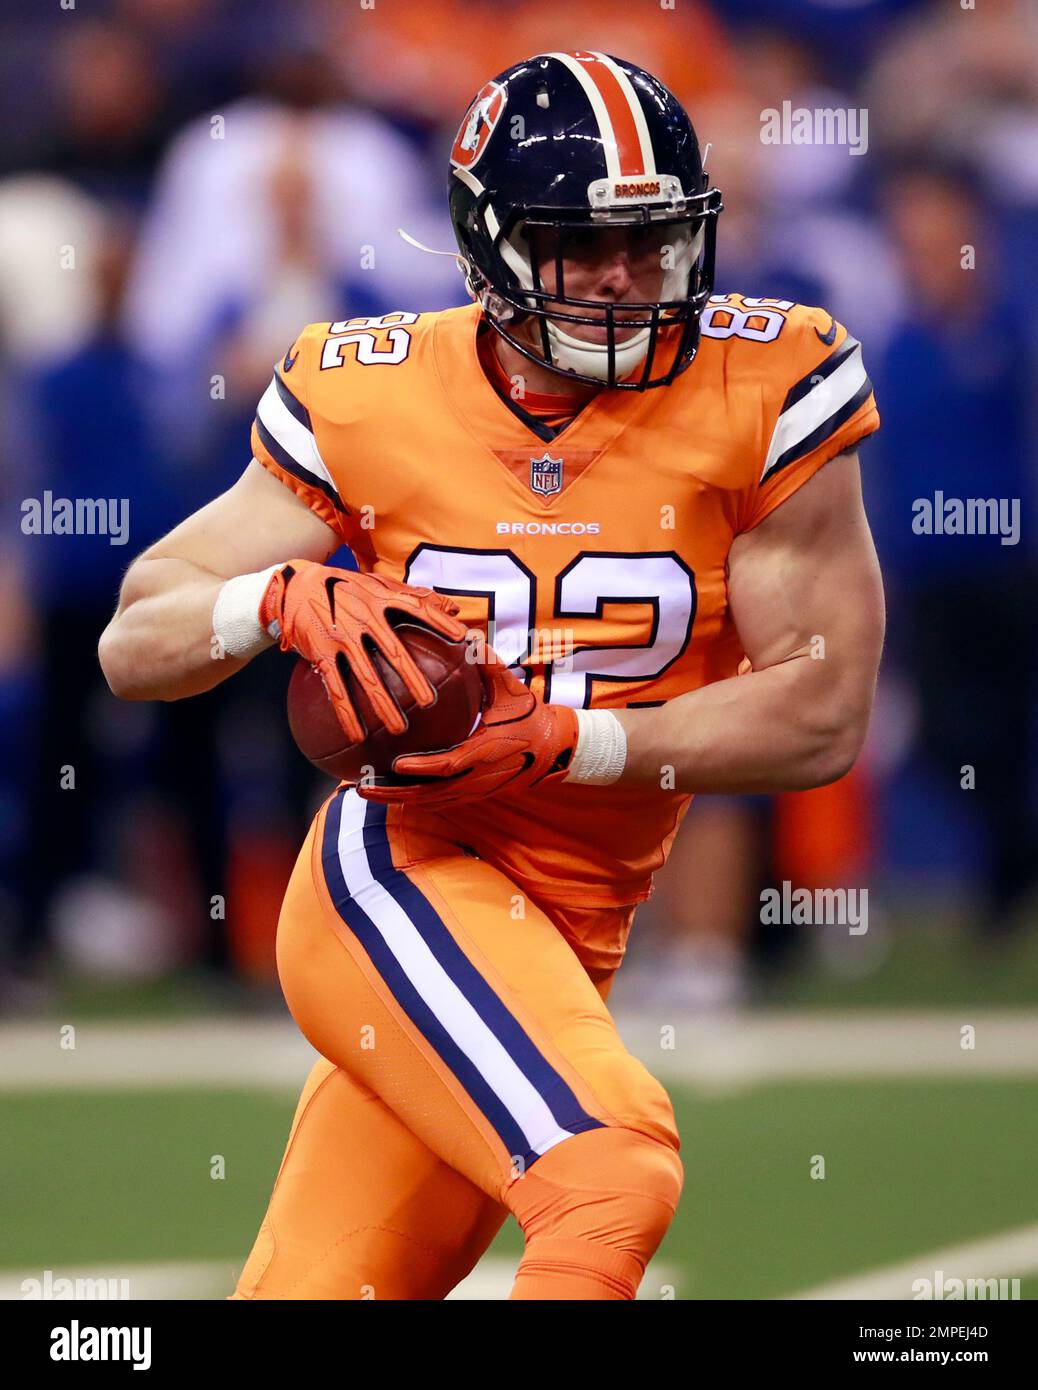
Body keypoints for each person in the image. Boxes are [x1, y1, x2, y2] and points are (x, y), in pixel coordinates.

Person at [98, 52, 885, 1301]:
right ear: (492, 242)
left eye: (653, 237)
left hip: (579, 915)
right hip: (404, 866)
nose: (627, 276)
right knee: (611, 1172)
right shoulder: (371, 387)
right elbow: (136, 638)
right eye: (580, 243)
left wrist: (578, 740)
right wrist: (272, 599)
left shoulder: (770, 378)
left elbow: (822, 709)